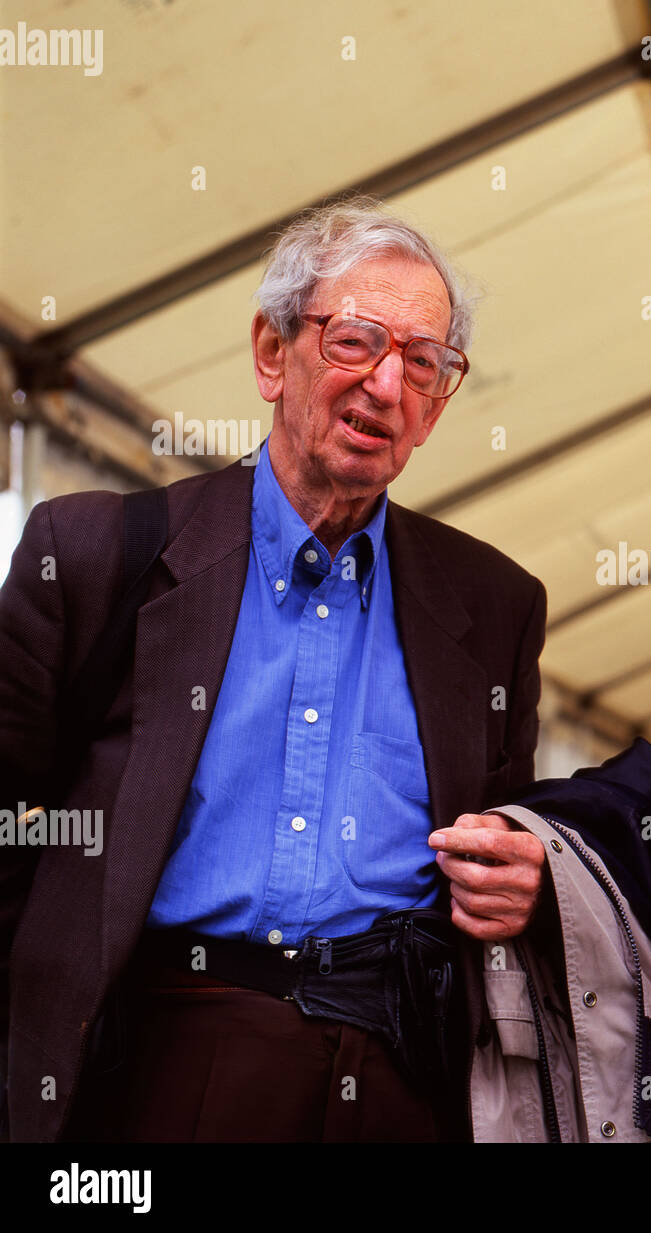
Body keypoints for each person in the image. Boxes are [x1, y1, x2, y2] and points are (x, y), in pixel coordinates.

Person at [0, 198, 551, 1142]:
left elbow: (506, 838)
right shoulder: (96, 555)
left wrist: (526, 876)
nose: (388, 385)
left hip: (402, 1070)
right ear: (271, 352)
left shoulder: (494, 604)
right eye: (356, 341)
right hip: (165, 1058)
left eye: (424, 363)